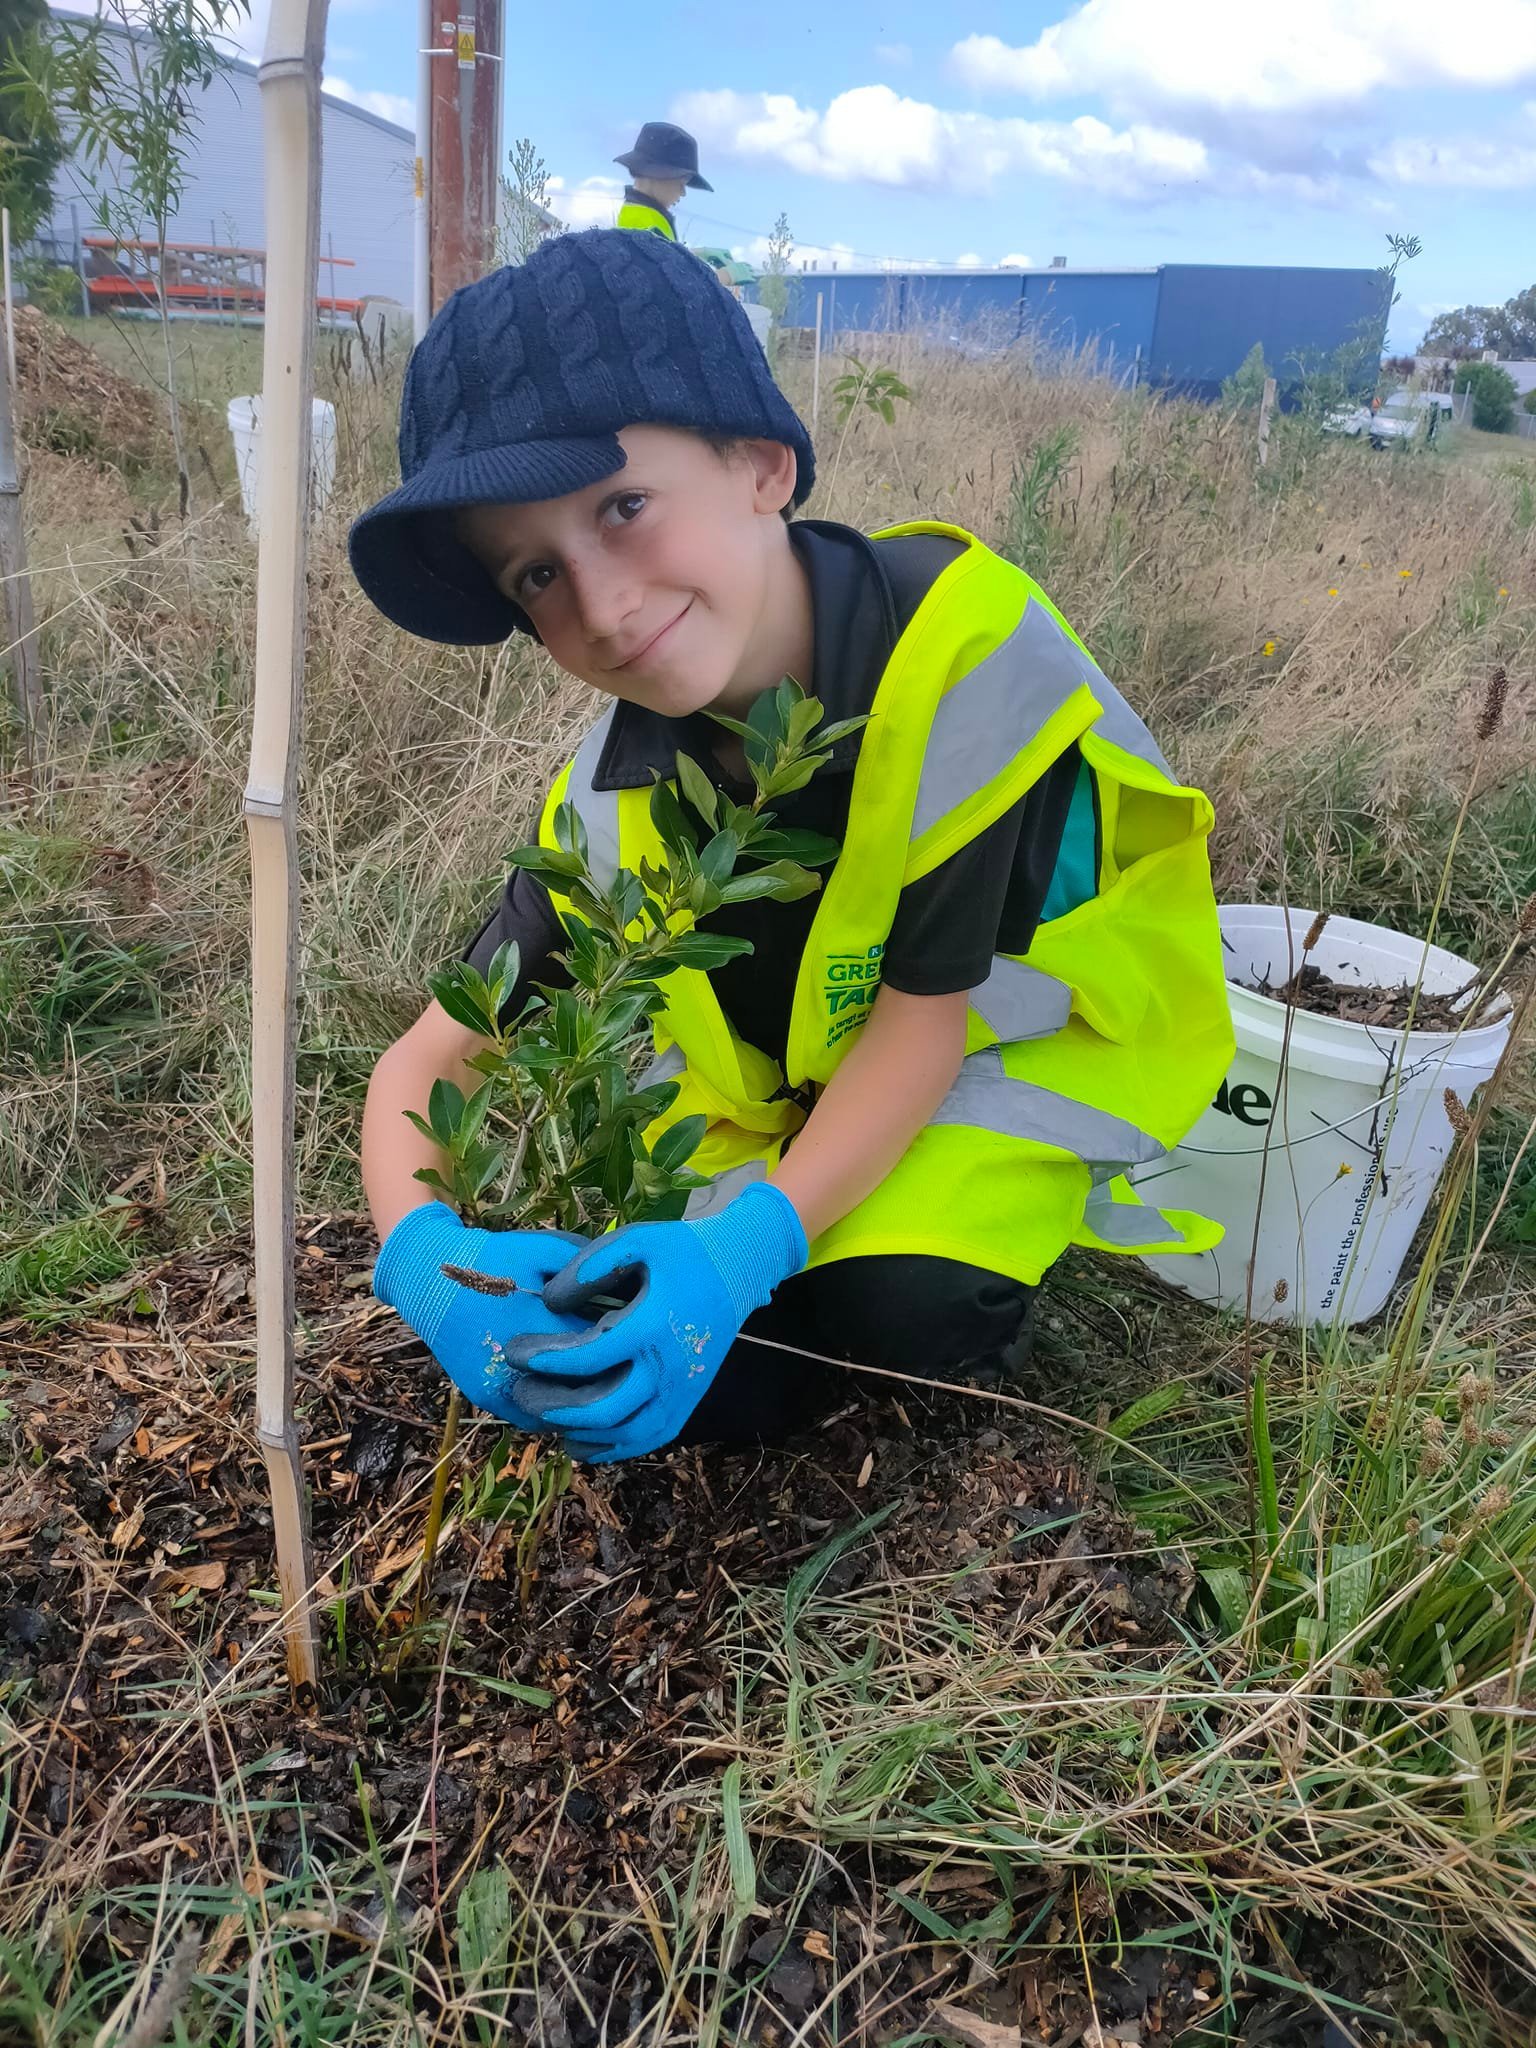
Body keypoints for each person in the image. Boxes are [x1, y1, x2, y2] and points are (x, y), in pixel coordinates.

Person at [348, 229, 1233, 1466]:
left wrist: (740, 1256)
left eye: (625, 507)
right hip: (806, 1091)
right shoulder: (618, 791)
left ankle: (958, 1263)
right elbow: (426, 1062)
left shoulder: (960, 666)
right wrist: (422, 1256)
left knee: (896, 1307)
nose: (600, 606)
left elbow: (923, 1024)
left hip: (1004, 1050)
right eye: (539, 571)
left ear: (763, 465)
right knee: (633, 1335)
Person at [613, 121, 710, 243]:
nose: (683, 192)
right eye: (681, 183)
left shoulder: (643, 214)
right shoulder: (644, 223)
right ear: (656, 174)